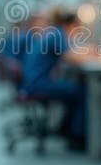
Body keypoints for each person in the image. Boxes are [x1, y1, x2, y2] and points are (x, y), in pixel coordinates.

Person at [19, 12, 92, 150]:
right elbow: (72, 57)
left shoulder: (54, 33)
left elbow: (72, 53)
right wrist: (94, 54)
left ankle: (66, 129)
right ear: (71, 25)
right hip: (38, 84)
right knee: (81, 91)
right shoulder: (57, 35)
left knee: (74, 89)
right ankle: (77, 136)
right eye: (79, 27)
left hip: (33, 82)